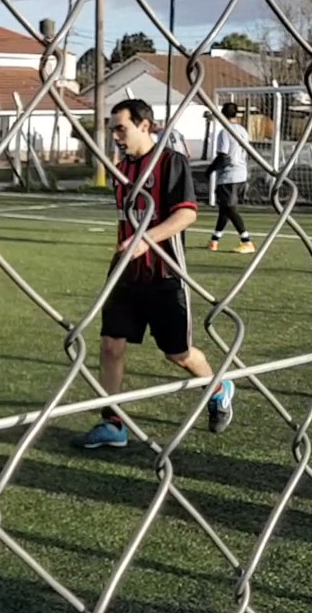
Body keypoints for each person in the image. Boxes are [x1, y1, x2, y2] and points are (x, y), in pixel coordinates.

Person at [78, 98, 234, 450]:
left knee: (178, 354)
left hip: (164, 274)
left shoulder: (170, 162)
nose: (115, 136)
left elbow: (187, 214)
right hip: (124, 275)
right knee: (111, 346)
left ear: (144, 126)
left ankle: (218, 388)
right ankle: (113, 422)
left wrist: (145, 240)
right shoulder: (122, 169)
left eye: (121, 128)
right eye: (113, 129)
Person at [206, 102, 255, 253]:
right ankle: (214, 240)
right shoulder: (242, 130)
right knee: (225, 208)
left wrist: (209, 170)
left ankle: (246, 241)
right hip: (241, 173)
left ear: (222, 115)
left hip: (229, 175)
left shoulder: (225, 132)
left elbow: (223, 156)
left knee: (230, 208)